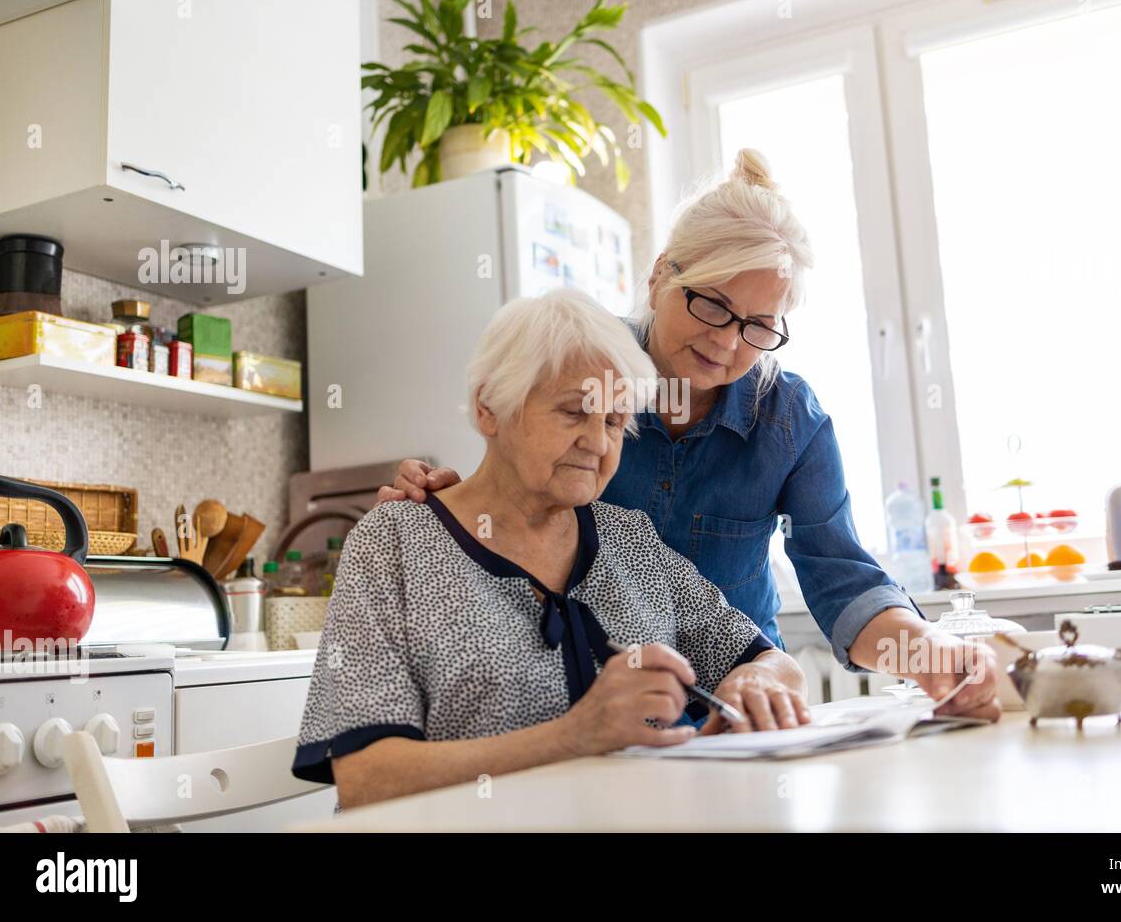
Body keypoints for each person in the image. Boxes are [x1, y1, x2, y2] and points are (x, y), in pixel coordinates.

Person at [380, 148, 1000, 721]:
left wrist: (929, 654)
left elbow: (844, 582)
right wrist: (443, 511)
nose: (727, 342)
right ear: (659, 278)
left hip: (739, 708)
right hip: (592, 718)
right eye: (711, 304)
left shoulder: (788, 419)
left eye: (759, 325)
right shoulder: (586, 368)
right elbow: (511, 500)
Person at [294, 289, 808, 808]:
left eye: (613, 420)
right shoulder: (394, 541)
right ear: (489, 407)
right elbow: (365, 776)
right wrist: (574, 735)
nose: (599, 443)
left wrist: (758, 686)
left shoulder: (629, 539)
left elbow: (770, 659)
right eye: (573, 412)